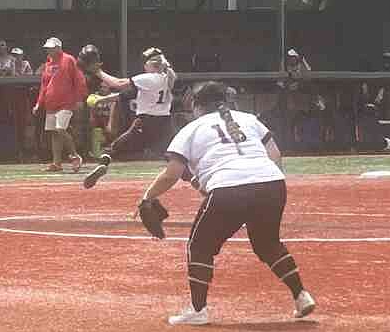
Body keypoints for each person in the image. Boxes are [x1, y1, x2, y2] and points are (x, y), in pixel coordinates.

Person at [135, 82, 315, 325]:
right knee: (268, 243)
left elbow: (172, 173)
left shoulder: (191, 129)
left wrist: (147, 197)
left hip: (228, 187)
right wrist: (264, 180)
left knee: (200, 247)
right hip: (272, 183)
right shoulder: (248, 119)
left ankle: (198, 310)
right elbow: (274, 154)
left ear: (197, 105)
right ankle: (301, 295)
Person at [84, 47, 176, 188]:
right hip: (165, 124)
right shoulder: (168, 77)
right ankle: (193, 177)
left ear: (150, 64)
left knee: (114, 147)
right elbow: (125, 95)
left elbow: (117, 84)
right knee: (175, 156)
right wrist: (101, 100)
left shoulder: (148, 78)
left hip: (145, 121)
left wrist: (98, 71)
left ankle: (104, 164)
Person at [34, 37, 87, 173]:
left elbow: (79, 79)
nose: (49, 51)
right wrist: (39, 103)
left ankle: (75, 156)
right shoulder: (48, 64)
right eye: (47, 48)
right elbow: (44, 85)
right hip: (51, 103)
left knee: (60, 129)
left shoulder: (69, 60)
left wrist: (79, 99)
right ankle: (57, 163)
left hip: (66, 102)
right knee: (54, 133)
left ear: (59, 48)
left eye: (51, 48)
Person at [9, 47, 34, 160]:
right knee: (13, 122)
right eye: (14, 55)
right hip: (12, 94)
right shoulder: (10, 64)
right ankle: (14, 149)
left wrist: (20, 77)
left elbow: (29, 76)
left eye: (18, 55)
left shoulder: (26, 64)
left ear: (22, 56)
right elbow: (11, 76)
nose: (16, 57)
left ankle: (23, 149)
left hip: (24, 94)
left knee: (23, 122)